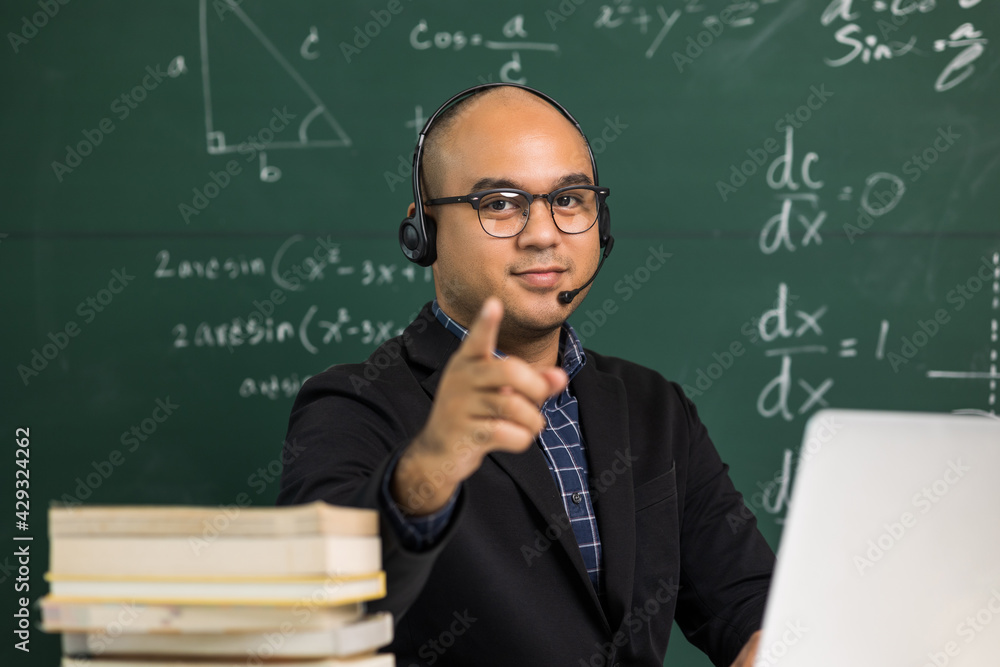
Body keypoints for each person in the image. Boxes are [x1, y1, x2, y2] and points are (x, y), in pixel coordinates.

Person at [277, 84, 774, 667]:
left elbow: (748, 603)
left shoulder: (654, 407)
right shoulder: (352, 405)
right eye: (500, 204)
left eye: (570, 199)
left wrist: (776, 642)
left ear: (601, 222)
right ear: (424, 231)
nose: (543, 233)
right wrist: (426, 472)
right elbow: (318, 607)